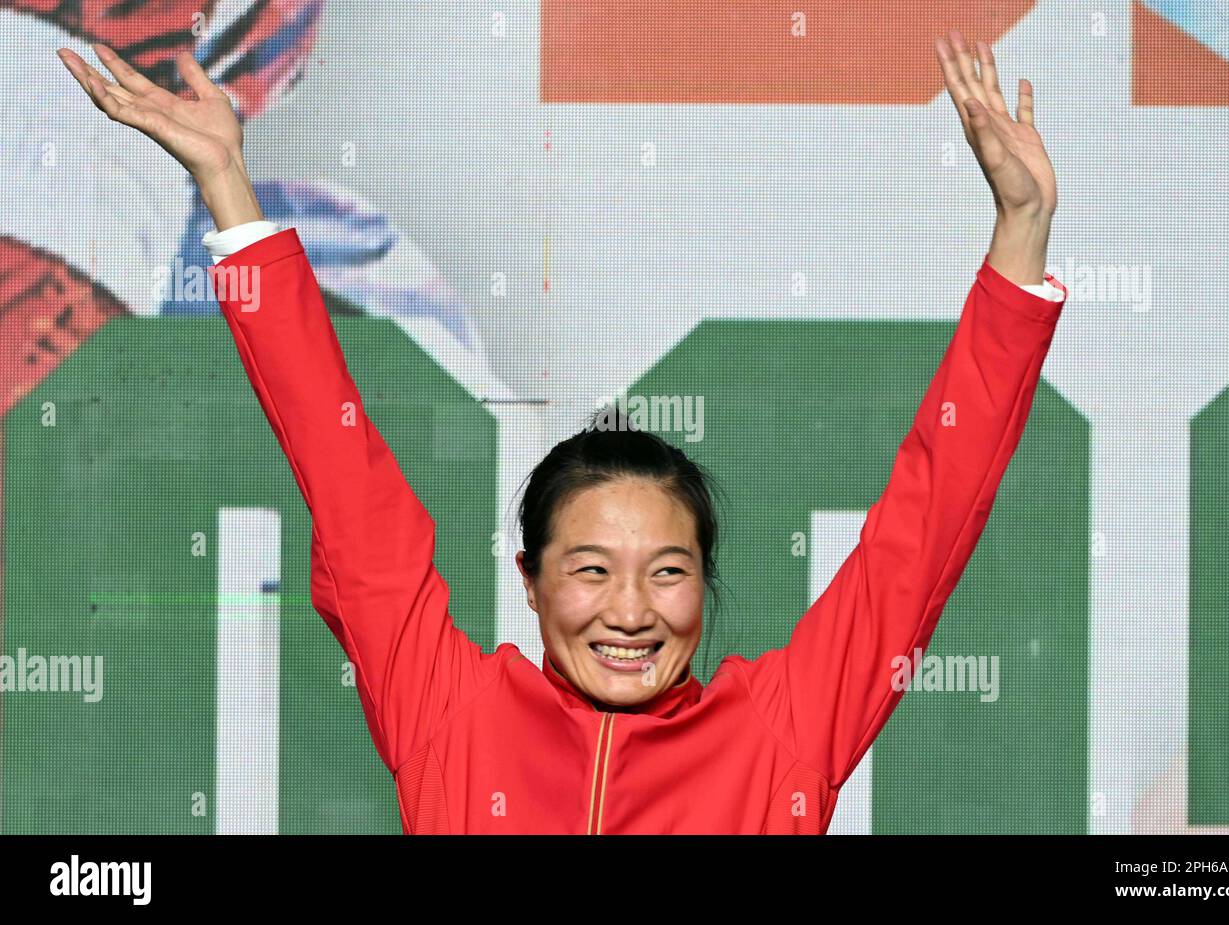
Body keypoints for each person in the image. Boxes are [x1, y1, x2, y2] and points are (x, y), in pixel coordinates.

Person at [56, 30, 1067, 834]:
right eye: (590, 570)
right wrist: (227, 189)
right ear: (530, 578)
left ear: (704, 584)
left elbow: (919, 536)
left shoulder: (777, 733)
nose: (629, 610)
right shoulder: (451, 715)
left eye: (666, 572)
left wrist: (1018, 234)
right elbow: (340, 466)